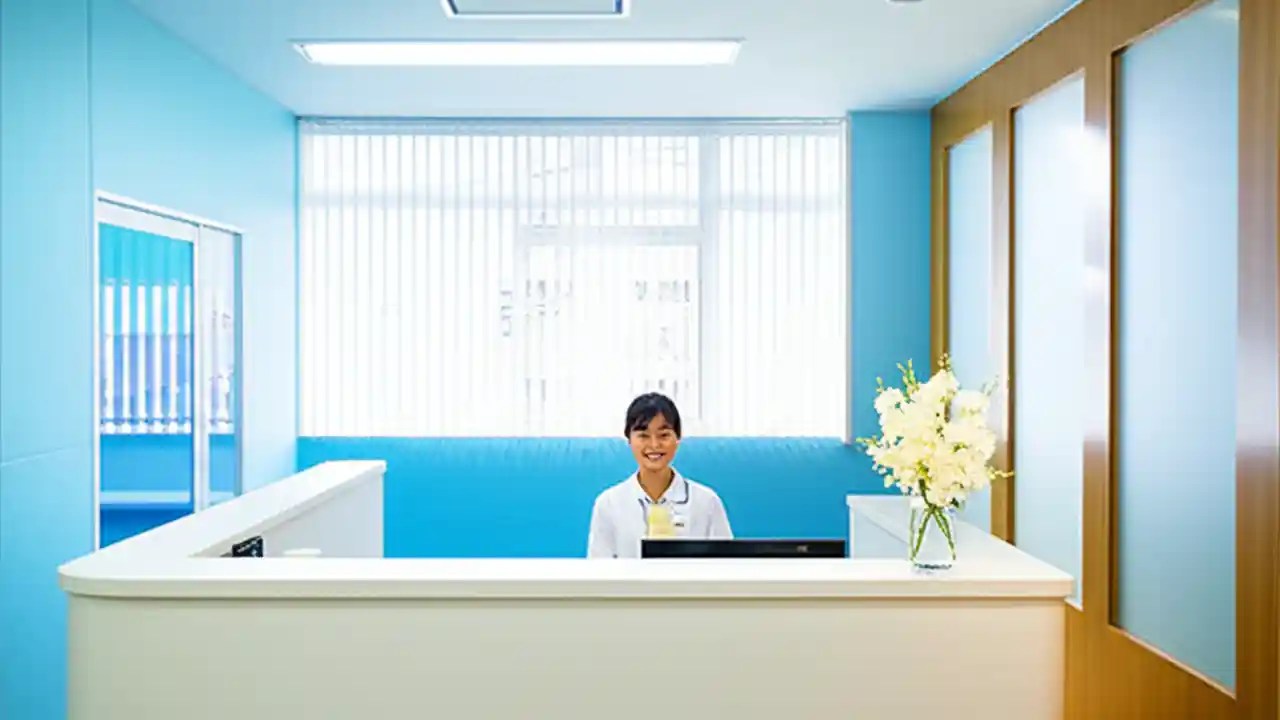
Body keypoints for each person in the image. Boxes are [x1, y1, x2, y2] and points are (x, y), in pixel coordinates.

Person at [587, 392, 732, 558]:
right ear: (629, 439)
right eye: (643, 436)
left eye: (664, 435)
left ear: (678, 438)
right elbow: (599, 569)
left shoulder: (707, 502)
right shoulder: (609, 504)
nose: (654, 445)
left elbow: (726, 566)